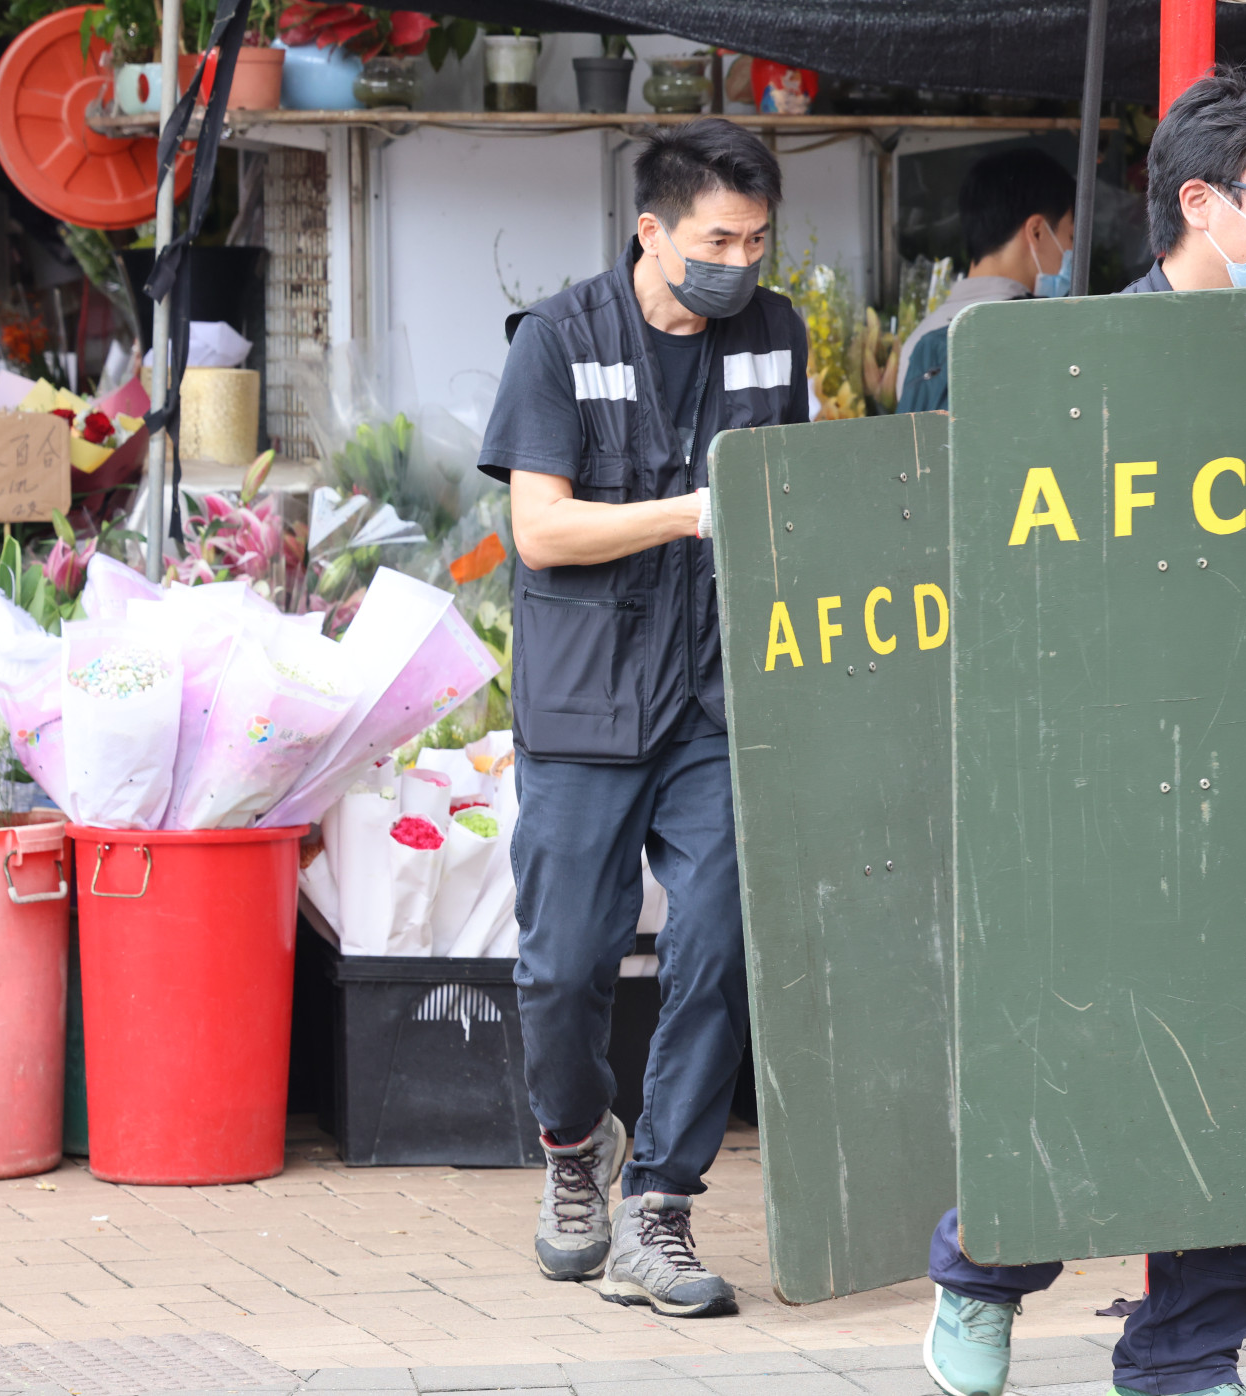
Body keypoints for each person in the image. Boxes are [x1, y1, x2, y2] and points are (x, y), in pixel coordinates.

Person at [918, 64, 1246, 1396]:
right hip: (1104, 775)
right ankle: (982, 1269)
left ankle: (1183, 1354)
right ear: (1198, 202)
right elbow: (990, 576)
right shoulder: (1073, 368)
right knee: (1084, 1042)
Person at [475, 119, 809, 1318]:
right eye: (718, 237)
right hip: (586, 694)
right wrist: (690, 514)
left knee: (719, 942)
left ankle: (658, 1205)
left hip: (718, 694)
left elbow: (797, 499)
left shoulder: (773, 336)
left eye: (758, 238)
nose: (739, 259)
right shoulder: (560, 340)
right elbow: (541, 530)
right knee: (565, 965)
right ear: (651, 229)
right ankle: (576, 1147)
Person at [896, 147, 1079, 412]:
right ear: (1037, 231)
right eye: (1071, 237)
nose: (1072, 251)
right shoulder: (1041, 335)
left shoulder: (917, 343)